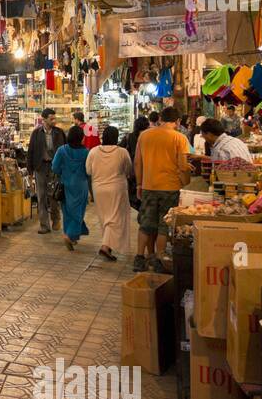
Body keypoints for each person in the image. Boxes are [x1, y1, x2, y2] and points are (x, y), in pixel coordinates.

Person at [133, 105, 190, 273]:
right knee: (164, 226)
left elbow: (137, 162)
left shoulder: (144, 135)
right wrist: (185, 184)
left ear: (160, 118)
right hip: (171, 187)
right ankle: (159, 259)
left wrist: (139, 184)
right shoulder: (179, 138)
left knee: (145, 224)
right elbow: (183, 166)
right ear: (178, 121)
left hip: (149, 186)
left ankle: (139, 258)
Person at [86, 125, 134, 261]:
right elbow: (129, 170)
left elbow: (88, 171)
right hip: (117, 188)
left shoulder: (93, 152)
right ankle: (106, 246)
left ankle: (107, 245)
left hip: (98, 189)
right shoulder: (122, 152)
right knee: (115, 218)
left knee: (105, 218)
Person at [51, 124, 91, 251]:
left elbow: (55, 167)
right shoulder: (86, 152)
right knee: (78, 212)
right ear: (80, 138)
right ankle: (70, 235)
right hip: (81, 186)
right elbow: (89, 171)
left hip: (65, 185)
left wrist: (64, 172)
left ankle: (71, 236)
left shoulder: (62, 150)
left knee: (67, 212)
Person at [27, 109, 66, 233]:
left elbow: (65, 150)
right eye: (51, 118)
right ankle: (44, 225)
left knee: (54, 194)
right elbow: (30, 152)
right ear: (43, 119)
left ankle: (56, 219)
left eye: (55, 118)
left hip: (55, 167)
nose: (54, 121)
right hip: (40, 167)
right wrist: (30, 171)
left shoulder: (59, 133)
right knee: (41, 196)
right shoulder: (36, 133)